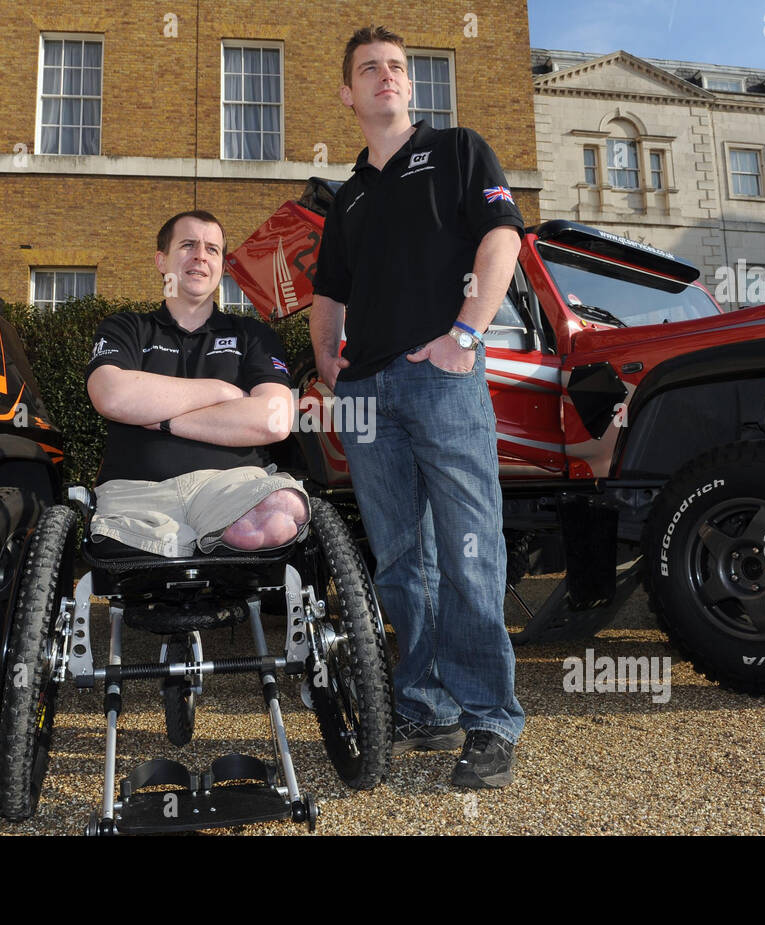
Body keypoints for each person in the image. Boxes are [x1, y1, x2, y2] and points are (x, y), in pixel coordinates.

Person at [311, 25, 525, 788]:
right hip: (366, 394)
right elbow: (329, 292)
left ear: (411, 84)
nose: (386, 77)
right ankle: (425, 704)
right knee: (403, 559)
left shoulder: (461, 149)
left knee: (470, 548)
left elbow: (503, 240)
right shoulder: (349, 197)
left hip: (443, 376)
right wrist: (328, 367)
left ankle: (491, 719)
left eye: (397, 67)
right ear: (348, 93)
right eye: (369, 68)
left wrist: (466, 333)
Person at [85, 210, 307, 557]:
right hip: (136, 493)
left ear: (220, 265)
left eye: (212, 249)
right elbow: (112, 395)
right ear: (162, 260)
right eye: (188, 245)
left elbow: (276, 419)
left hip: (232, 489)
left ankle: (231, 532)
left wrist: (162, 418)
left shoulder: (253, 335)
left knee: (282, 507)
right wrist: (221, 393)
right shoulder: (125, 328)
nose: (201, 256)